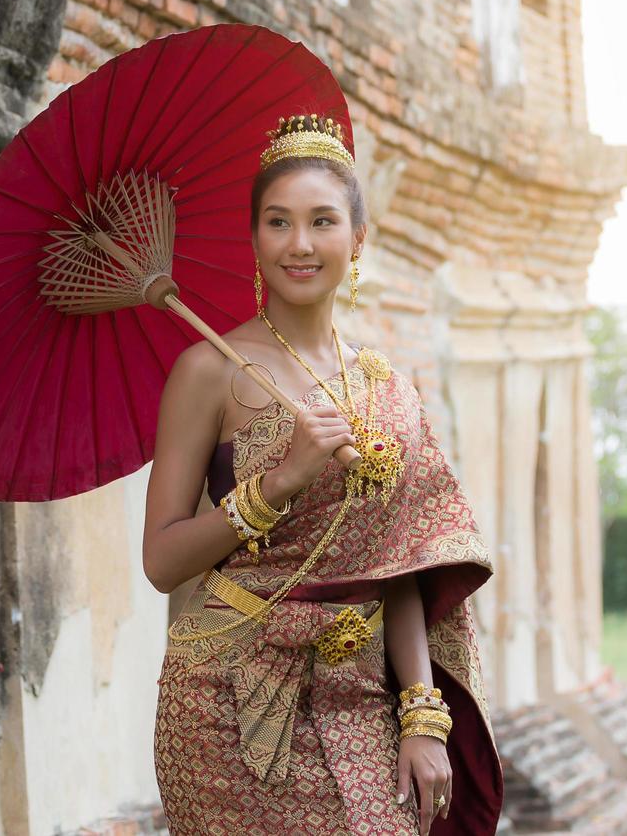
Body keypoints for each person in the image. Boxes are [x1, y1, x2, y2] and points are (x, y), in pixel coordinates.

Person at [143, 112, 503, 835]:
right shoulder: (208, 371)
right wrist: (277, 484)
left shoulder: (387, 390)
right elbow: (161, 560)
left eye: (321, 221)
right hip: (228, 695)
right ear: (254, 240)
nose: (299, 244)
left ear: (357, 238)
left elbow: (402, 562)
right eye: (277, 223)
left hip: (364, 689)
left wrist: (422, 715)